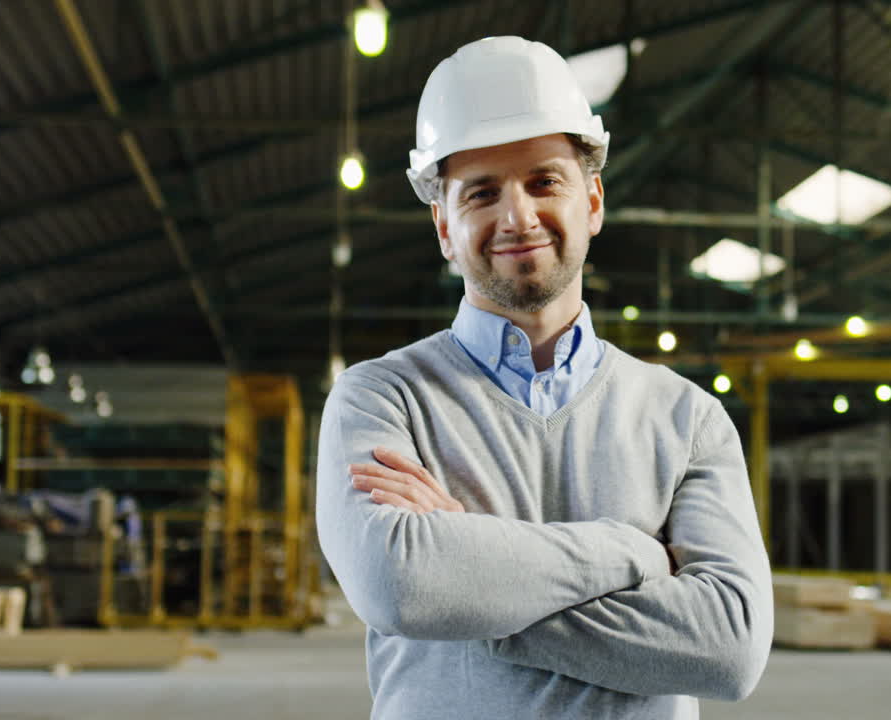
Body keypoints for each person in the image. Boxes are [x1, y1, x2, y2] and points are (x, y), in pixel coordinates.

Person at [316, 36, 772, 720]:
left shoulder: (688, 419)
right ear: (444, 225)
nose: (517, 217)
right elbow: (400, 586)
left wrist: (472, 580)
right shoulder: (382, 398)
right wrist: (631, 550)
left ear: (592, 201)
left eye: (542, 181)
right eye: (482, 193)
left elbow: (728, 649)